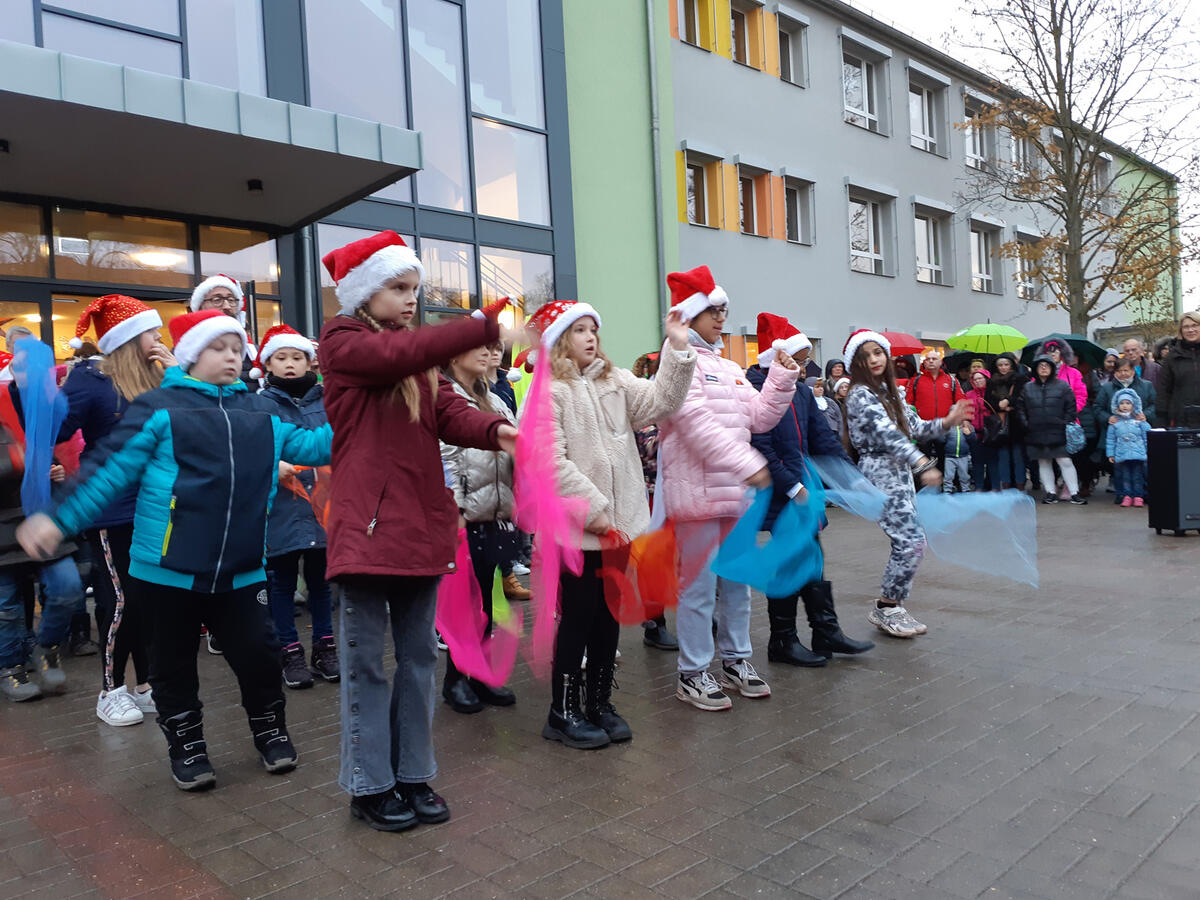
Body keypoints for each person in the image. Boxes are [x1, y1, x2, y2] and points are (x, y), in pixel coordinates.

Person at [17, 309, 333, 790]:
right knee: (171, 665)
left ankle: (270, 732)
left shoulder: (260, 412)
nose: (231, 356)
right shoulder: (159, 408)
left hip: (243, 570)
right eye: (218, 347)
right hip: (165, 571)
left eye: (235, 347)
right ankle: (187, 746)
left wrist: (376, 419)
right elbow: (109, 470)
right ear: (190, 355)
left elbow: (315, 445)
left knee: (259, 658)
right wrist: (56, 520)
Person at [318, 231, 517, 832]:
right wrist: (480, 325)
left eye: (414, 290)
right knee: (367, 667)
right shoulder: (342, 341)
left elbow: (445, 409)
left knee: (417, 662)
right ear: (363, 291)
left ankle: (412, 775)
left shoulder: (415, 354)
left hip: (421, 523)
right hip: (367, 528)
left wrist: (496, 432)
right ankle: (369, 786)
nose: (410, 300)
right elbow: (394, 361)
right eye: (398, 288)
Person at [535, 299, 694, 745]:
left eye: (594, 330)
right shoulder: (548, 391)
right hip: (580, 530)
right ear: (561, 339)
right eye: (581, 330)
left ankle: (600, 702)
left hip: (619, 528)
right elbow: (549, 461)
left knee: (608, 617)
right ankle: (562, 711)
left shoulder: (615, 380)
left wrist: (676, 348)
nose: (591, 338)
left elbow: (662, 401)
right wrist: (595, 511)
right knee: (578, 618)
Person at [656, 266, 798, 711]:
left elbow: (756, 419)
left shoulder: (730, 365)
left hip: (735, 493)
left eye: (723, 311)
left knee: (737, 585)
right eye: (712, 311)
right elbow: (694, 424)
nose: (720, 318)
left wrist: (780, 377)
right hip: (698, 494)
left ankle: (736, 660)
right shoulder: (679, 360)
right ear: (691, 315)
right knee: (697, 589)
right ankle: (693, 672)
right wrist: (748, 464)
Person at [59, 295, 173, 724]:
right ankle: (110, 691)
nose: (159, 337)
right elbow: (58, 427)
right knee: (120, 601)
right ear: (128, 338)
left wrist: (177, 372)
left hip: (154, 508)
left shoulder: (160, 377)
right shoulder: (91, 379)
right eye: (151, 331)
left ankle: (145, 686)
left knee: (148, 600)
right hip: (109, 511)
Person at [747, 314, 873, 668]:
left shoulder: (801, 393)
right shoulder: (758, 388)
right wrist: (791, 486)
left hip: (803, 485)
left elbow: (823, 438)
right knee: (792, 558)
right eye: (799, 361)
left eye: (805, 361)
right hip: (780, 488)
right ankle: (783, 640)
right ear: (777, 359)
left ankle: (824, 630)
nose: (805, 369)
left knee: (811, 554)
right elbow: (760, 444)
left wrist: (850, 477)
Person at [842, 330, 973, 638]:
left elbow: (915, 427)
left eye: (878, 353)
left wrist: (947, 421)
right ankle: (887, 606)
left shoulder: (891, 392)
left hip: (900, 475)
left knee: (910, 541)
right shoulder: (861, 394)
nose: (874, 359)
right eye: (866, 356)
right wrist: (922, 463)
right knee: (911, 542)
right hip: (880, 473)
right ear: (857, 364)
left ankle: (891, 604)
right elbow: (887, 435)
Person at [249, 324, 339, 691]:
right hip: (281, 509)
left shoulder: (326, 400)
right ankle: (289, 650)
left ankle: (325, 647)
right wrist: (273, 465)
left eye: (296, 357)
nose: (289, 364)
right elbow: (251, 449)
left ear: (309, 361)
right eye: (281, 358)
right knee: (282, 584)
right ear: (268, 365)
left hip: (323, 508)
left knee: (322, 584)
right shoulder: (260, 404)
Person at [438, 338, 522, 715]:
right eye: (481, 347)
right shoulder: (446, 398)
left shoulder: (494, 396)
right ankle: (455, 679)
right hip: (464, 518)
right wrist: (453, 507)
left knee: (488, 602)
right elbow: (445, 457)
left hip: (495, 516)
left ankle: (479, 673)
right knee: (464, 604)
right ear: (454, 352)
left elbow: (514, 445)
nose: (492, 353)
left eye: (495, 347)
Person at [630, 349, 677, 652]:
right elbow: (649, 448)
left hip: (676, 492)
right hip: (649, 494)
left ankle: (692, 613)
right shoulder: (646, 406)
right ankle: (653, 623)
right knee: (653, 563)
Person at [1018, 355, 1086, 505]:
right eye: (1040, 365)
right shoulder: (1028, 387)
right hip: (1036, 431)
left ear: (1052, 368)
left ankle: (1074, 492)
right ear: (1035, 369)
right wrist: (1026, 424)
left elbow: (1071, 406)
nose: (1043, 368)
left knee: (1065, 460)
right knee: (1044, 461)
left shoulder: (1062, 386)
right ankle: (1050, 492)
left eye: (1047, 365)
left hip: (1058, 430)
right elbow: (1021, 408)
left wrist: (1065, 423)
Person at [190, 274, 258, 387]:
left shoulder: (256, 352)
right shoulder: (184, 350)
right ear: (200, 306)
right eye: (217, 300)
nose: (227, 306)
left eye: (231, 300)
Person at [906, 350, 962, 467]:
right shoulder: (915, 381)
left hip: (945, 427)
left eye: (934, 359)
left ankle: (943, 483)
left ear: (940, 362)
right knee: (923, 459)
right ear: (924, 363)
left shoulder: (951, 381)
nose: (931, 361)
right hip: (923, 428)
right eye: (928, 359)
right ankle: (924, 484)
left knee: (944, 460)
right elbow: (907, 403)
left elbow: (961, 401)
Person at [986, 353, 1027, 489]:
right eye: (1000, 365)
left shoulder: (1019, 379)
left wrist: (1008, 401)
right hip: (1000, 422)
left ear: (1011, 365)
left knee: (1018, 455)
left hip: (1016, 422)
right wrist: (999, 405)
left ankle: (1020, 484)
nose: (1003, 368)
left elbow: (1022, 397)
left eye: (1006, 364)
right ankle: (1006, 484)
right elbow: (988, 402)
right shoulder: (991, 381)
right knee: (1003, 456)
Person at [1106, 388, 1151, 507]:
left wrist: (1148, 451)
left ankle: (1138, 495)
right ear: (1117, 405)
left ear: (1133, 405)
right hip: (1122, 454)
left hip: (1138, 455)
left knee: (1137, 476)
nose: (1125, 406)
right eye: (1122, 403)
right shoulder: (1114, 423)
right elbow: (1111, 440)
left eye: (1128, 403)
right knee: (1124, 476)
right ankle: (1127, 495)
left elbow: (1147, 436)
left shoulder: (1139, 421)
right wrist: (1111, 454)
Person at [1158, 311, 1200, 429]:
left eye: (1194, 325)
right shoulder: (1172, 357)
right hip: (1181, 420)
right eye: (1186, 327)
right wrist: (1161, 419)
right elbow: (1164, 390)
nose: (1190, 330)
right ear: (1181, 331)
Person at [965, 369, 999, 491]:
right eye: (975, 379)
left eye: (980, 378)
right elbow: (966, 412)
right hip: (976, 432)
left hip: (991, 432)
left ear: (986, 379)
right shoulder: (969, 394)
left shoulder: (993, 393)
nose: (978, 381)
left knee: (993, 462)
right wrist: (966, 422)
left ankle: (995, 487)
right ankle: (979, 487)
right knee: (977, 462)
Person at [942, 420, 973, 493]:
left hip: (963, 456)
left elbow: (973, 439)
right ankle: (947, 490)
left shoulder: (968, 426)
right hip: (949, 456)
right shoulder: (948, 428)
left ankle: (966, 489)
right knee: (948, 475)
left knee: (964, 475)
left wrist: (969, 434)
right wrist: (945, 433)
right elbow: (942, 440)